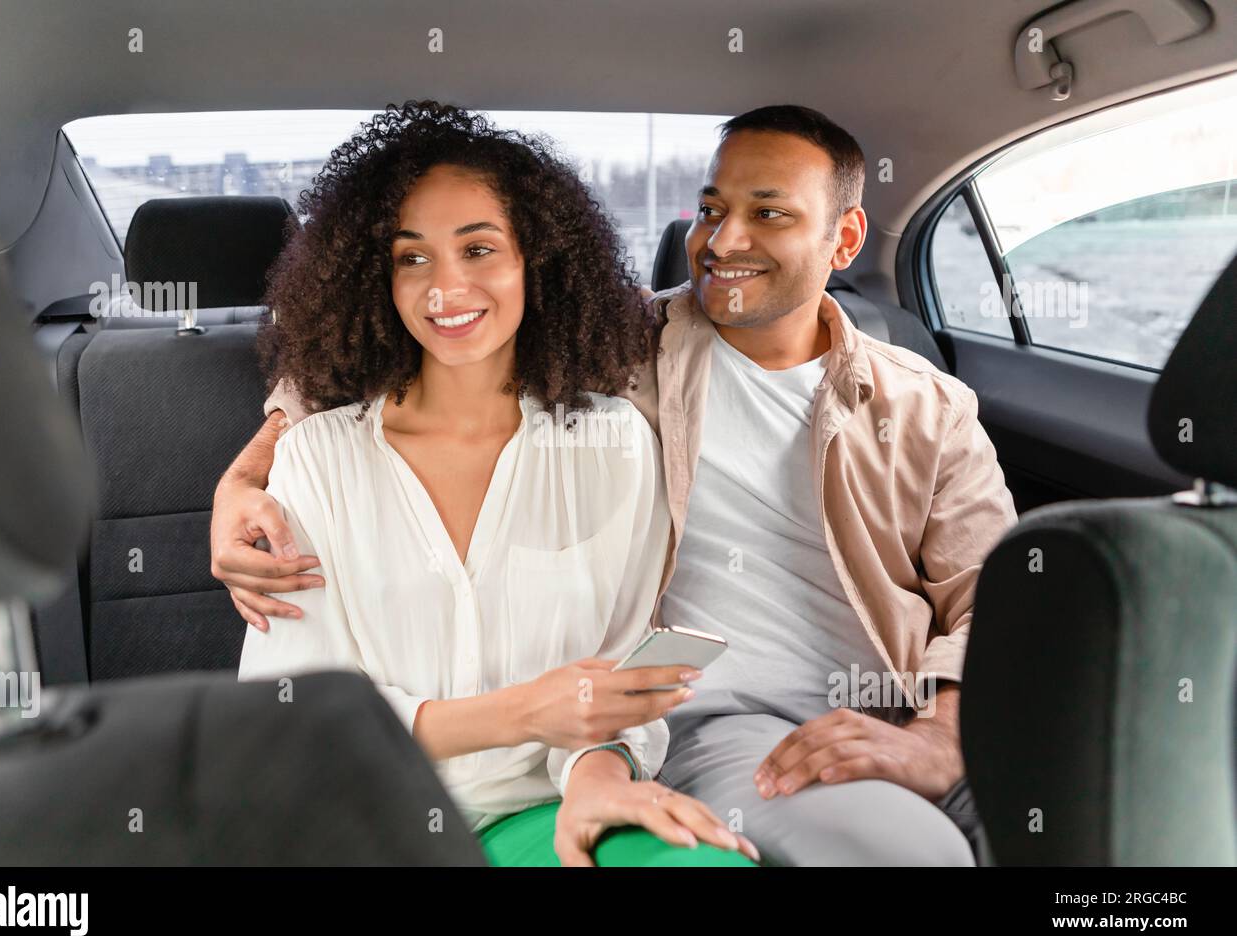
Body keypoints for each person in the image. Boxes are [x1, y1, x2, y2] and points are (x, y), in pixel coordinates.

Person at [217, 104, 1016, 866]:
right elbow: (391, 350)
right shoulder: (625, 344)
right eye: (709, 210)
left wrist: (936, 738)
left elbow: (999, 597)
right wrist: (245, 480)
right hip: (724, 725)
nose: (722, 239)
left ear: (846, 239)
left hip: (905, 706)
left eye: (768, 213)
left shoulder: (929, 406)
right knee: (910, 854)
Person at [230, 101, 756, 868]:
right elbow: (295, 720)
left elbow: (617, 682)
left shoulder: (616, 445)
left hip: (541, 815)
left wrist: (598, 778)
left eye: (479, 249)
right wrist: (521, 713)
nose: (445, 287)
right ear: (374, 278)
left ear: (534, 262)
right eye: (412, 258)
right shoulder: (316, 460)